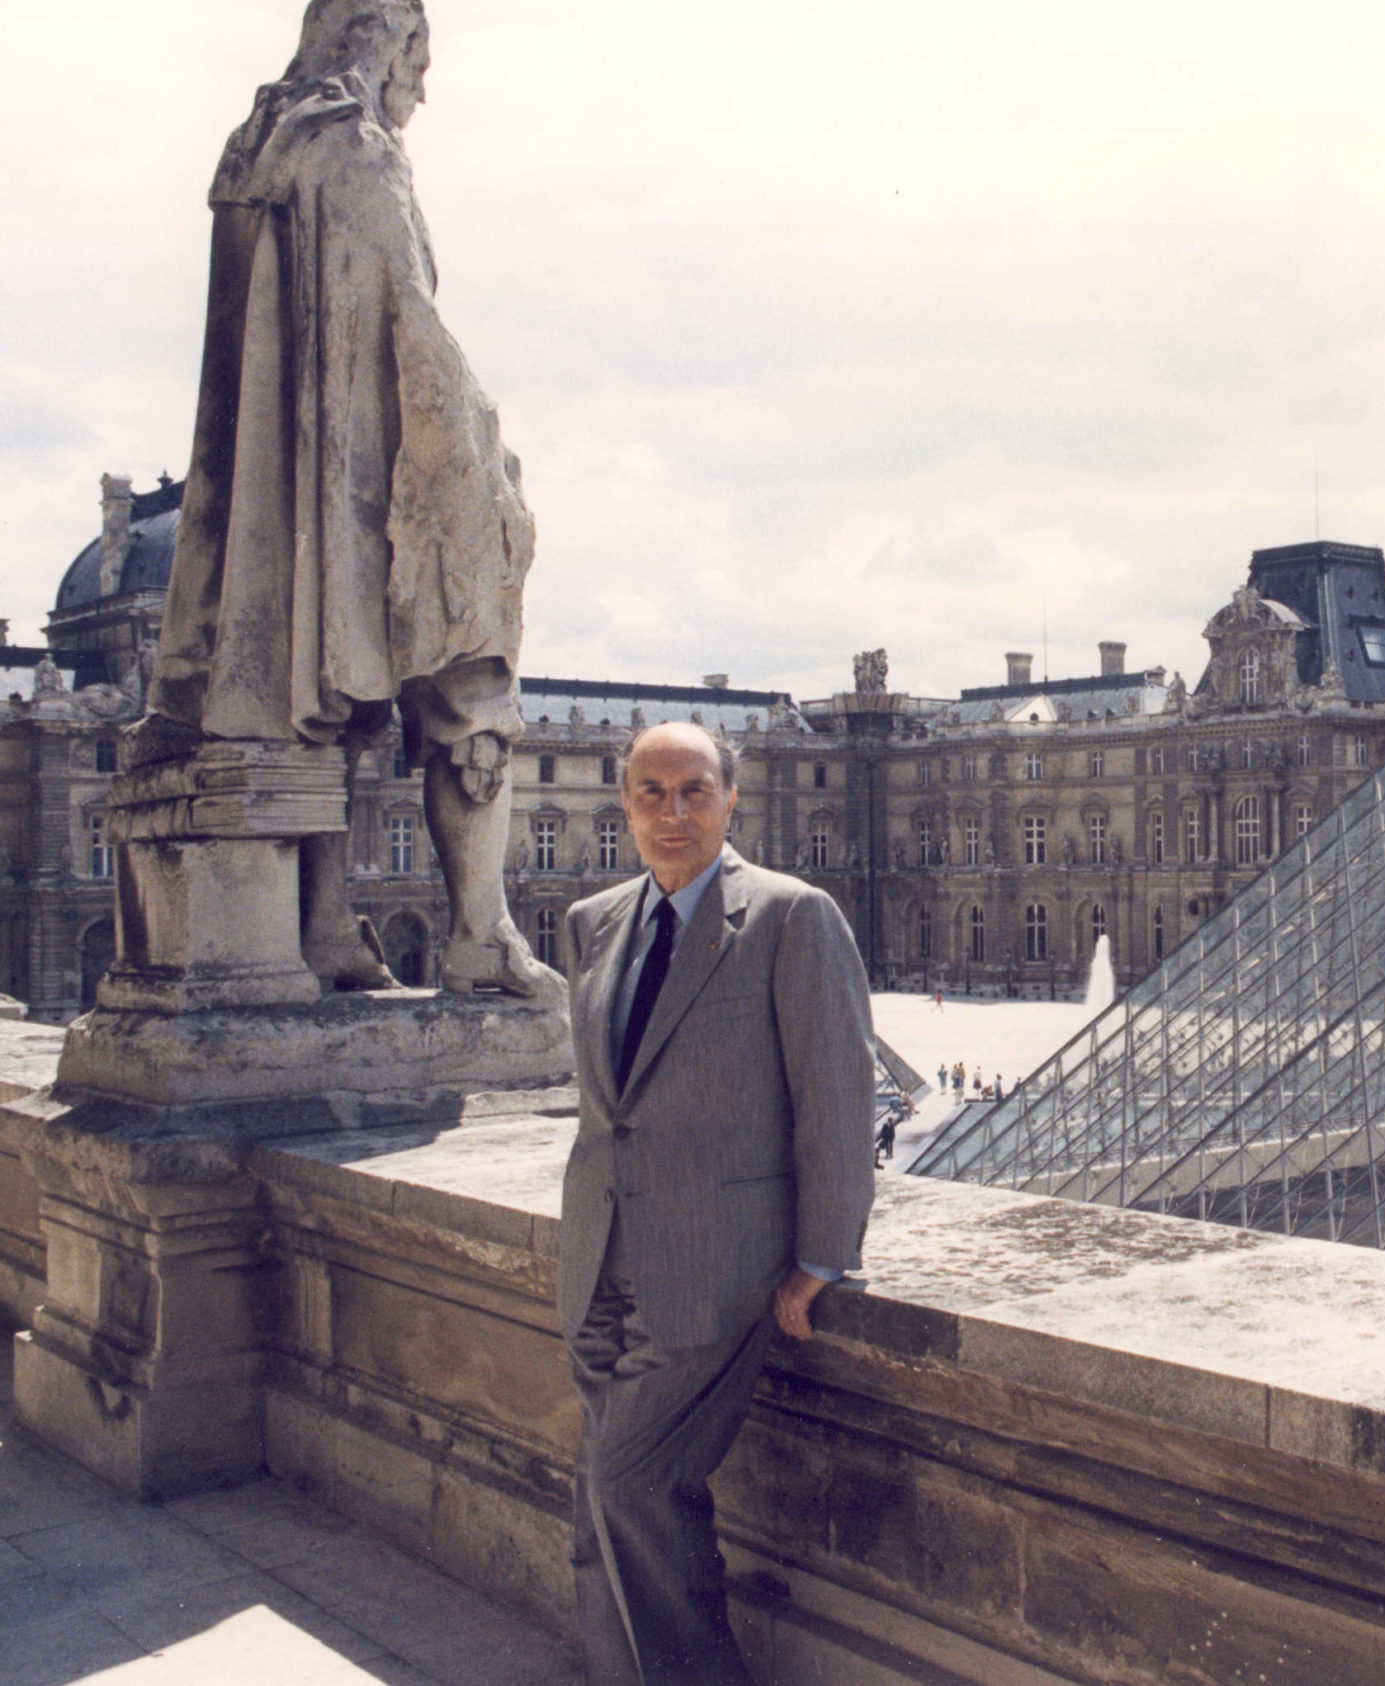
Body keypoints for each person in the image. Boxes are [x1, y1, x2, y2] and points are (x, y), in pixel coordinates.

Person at [146, 0, 555, 999]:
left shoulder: (261, 145)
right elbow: (411, 330)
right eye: (419, 56)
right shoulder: (356, 149)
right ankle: (480, 934)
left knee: (319, 692)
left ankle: (326, 926)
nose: (424, 83)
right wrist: (485, 464)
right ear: (383, 42)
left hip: (275, 523)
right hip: (369, 493)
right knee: (476, 679)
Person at [558, 722, 876, 1684]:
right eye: (651, 792)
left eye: (694, 790)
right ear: (624, 807)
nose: (672, 811)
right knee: (597, 1498)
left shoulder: (791, 914)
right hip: (600, 1256)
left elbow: (836, 1092)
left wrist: (822, 1256)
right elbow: (608, 1106)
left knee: (633, 1484)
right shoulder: (592, 922)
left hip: (716, 1265)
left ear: (732, 799)